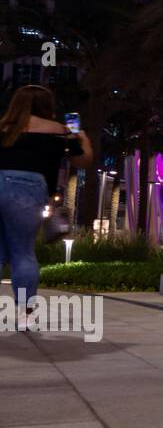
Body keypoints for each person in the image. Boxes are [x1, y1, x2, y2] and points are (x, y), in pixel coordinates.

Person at [0, 86, 94, 332]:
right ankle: (25, 315)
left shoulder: (3, 127)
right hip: (27, 189)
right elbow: (83, 160)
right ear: (47, 105)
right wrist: (83, 140)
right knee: (23, 253)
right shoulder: (59, 131)